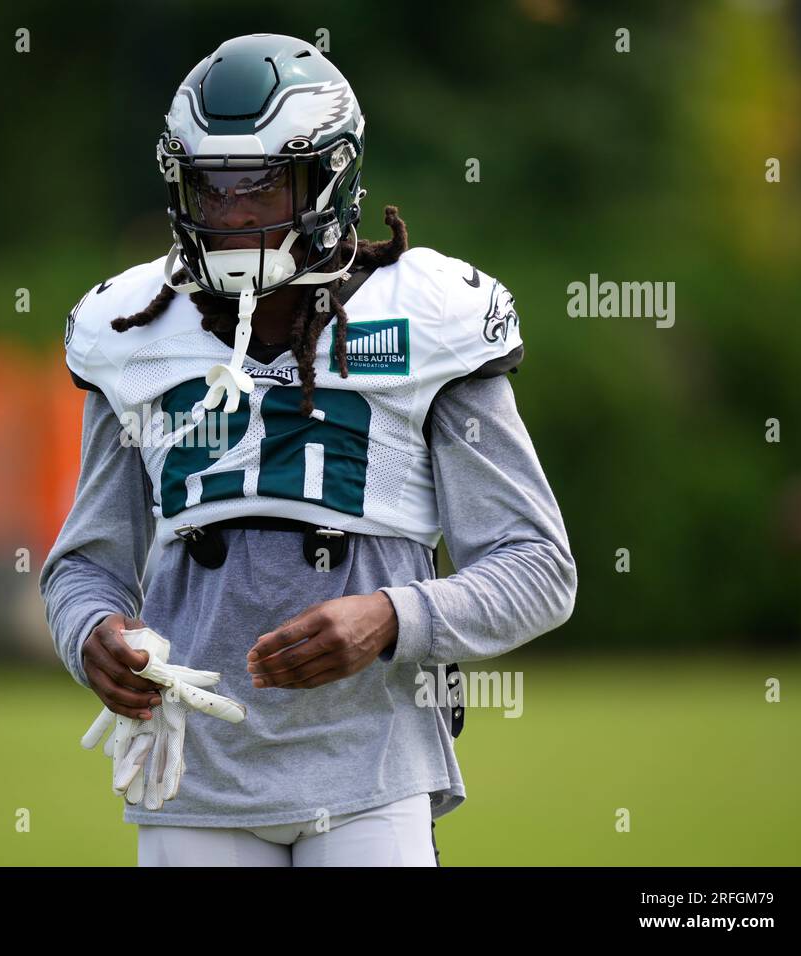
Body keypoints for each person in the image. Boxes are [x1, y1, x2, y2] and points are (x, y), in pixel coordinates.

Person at [40, 33, 576, 866]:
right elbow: (85, 566)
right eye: (209, 188)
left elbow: (538, 567)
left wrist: (392, 617)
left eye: (260, 186)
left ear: (329, 178)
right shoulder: (131, 331)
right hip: (194, 783)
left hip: (374, 771)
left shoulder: (426, 320)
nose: (230, 214)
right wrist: (94, 635)